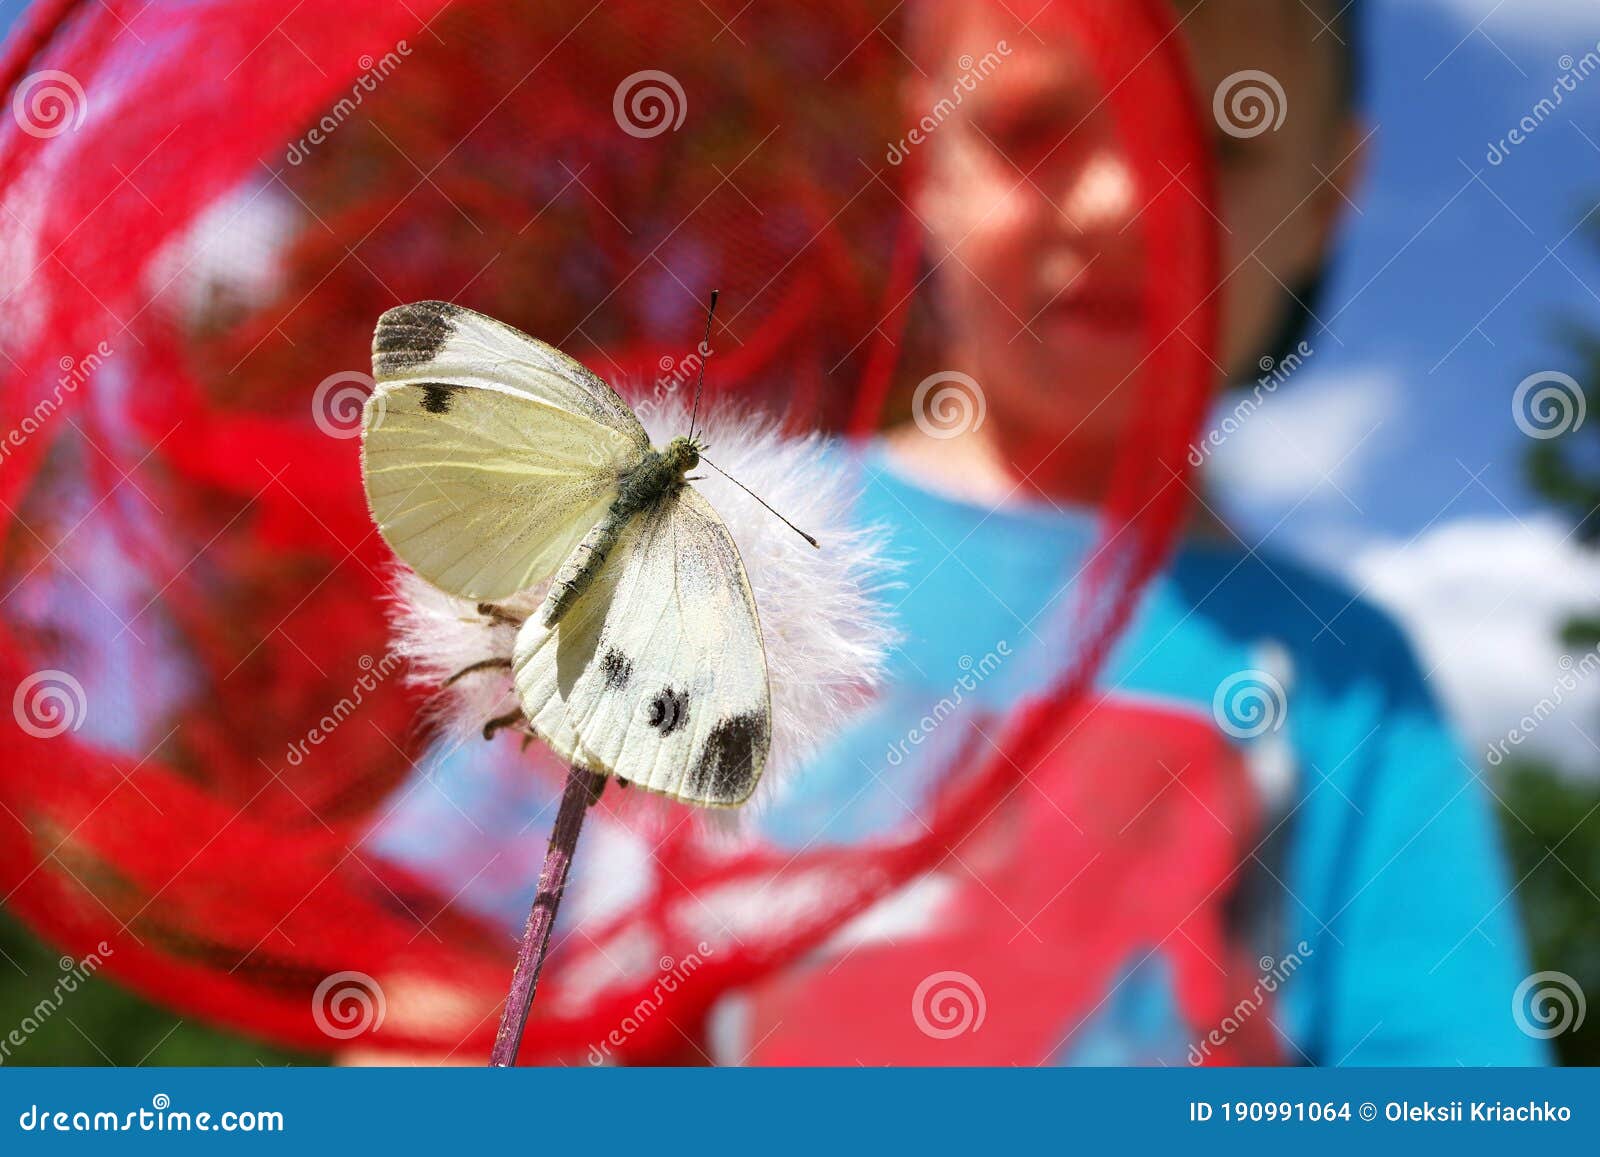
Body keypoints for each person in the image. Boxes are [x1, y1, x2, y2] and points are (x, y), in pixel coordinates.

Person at [372, 0, 1544, 1066]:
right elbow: (428, 998)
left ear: (1329, 195)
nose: (1117, 200)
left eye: (1219, 145)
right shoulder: (700, 530)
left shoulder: (1355, 687)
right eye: (1030, 126)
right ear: (920, 152)